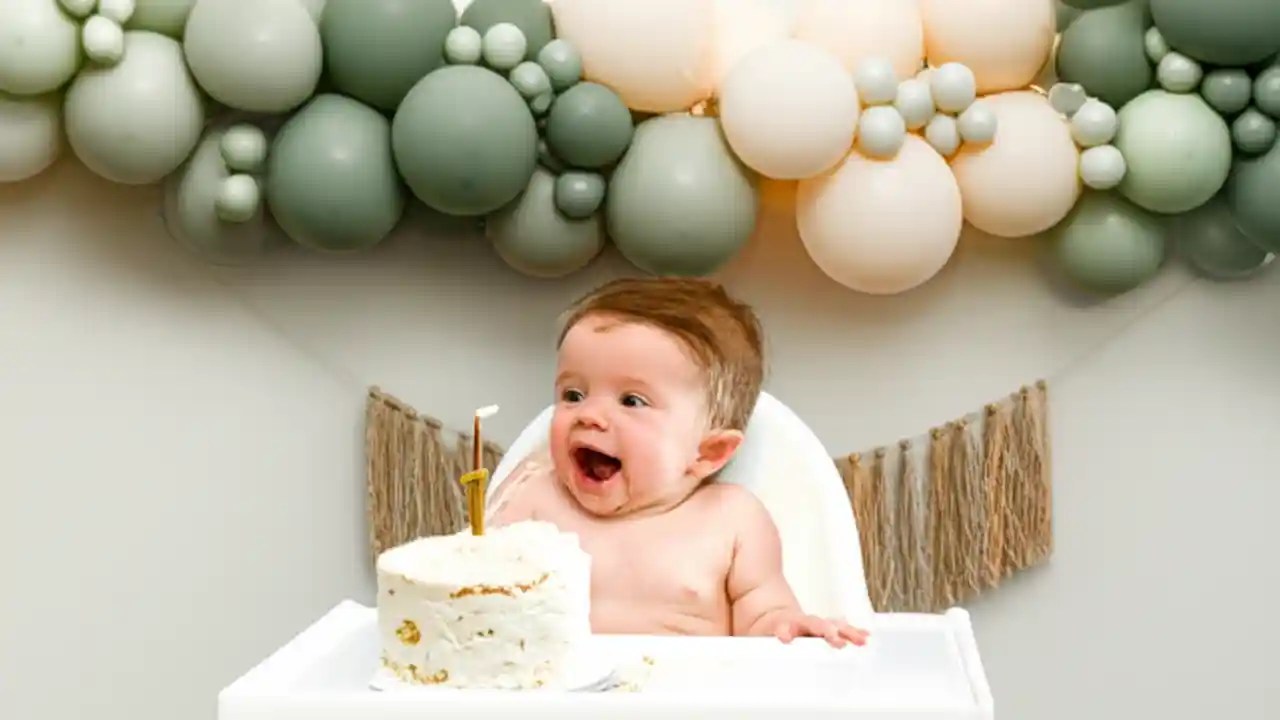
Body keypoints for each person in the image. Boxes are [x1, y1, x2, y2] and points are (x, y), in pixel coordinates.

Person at [487, 276, 868, 649]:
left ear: (708, 452)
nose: (589, 415)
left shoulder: (732, 519)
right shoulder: (534, 498)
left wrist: (787, 625)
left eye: (631, 401)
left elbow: (763, 615)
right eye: (573, 394)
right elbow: (476, 599)